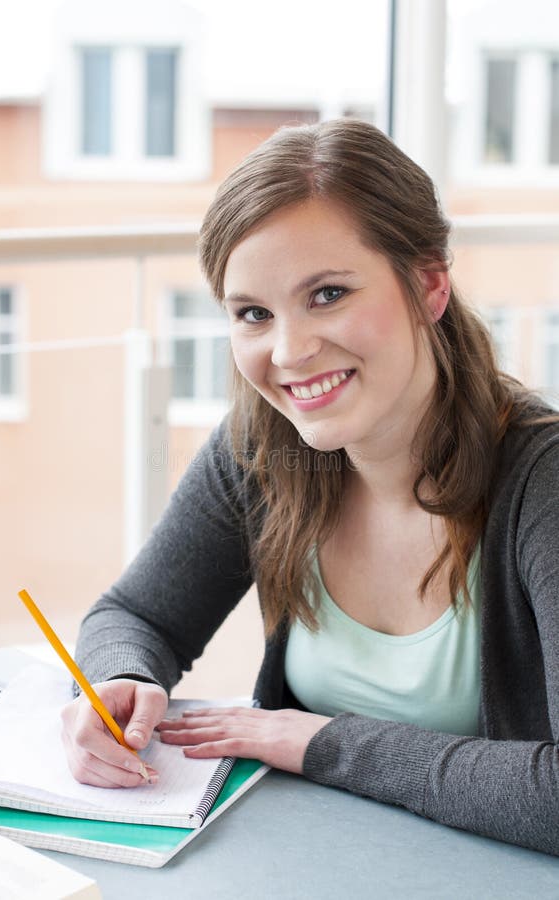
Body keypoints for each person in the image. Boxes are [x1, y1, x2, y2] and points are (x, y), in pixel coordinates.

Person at [61, 118, 559, 856]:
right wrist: (118, 679)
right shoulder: (261, 452)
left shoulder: (541, 481)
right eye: (253, 314)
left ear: (429, 284)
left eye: (327, 294)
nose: (289, 352)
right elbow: (138, 615)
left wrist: (322, 743)